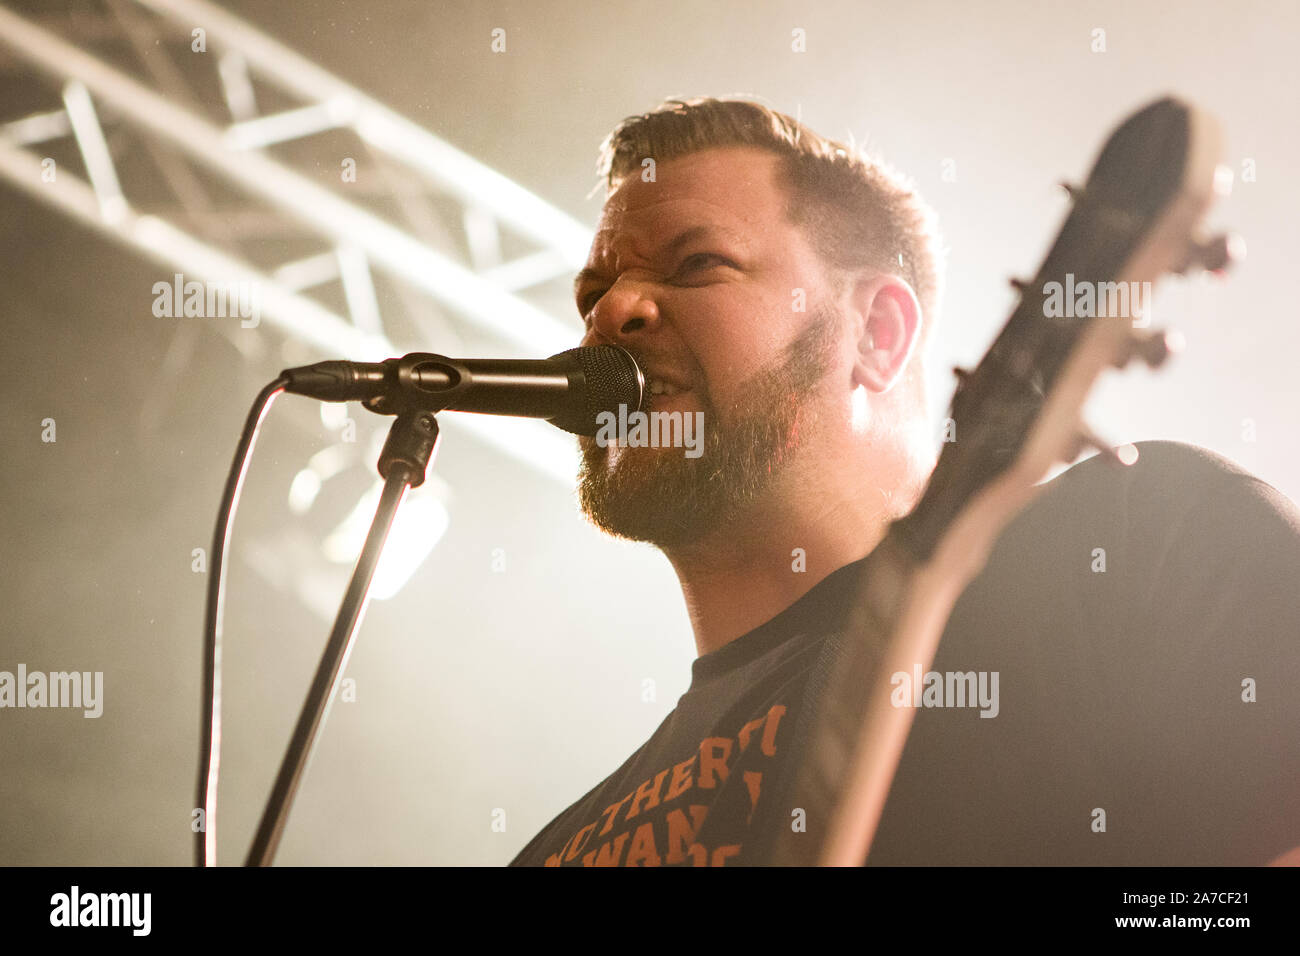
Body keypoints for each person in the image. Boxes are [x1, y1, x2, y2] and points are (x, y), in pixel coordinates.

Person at [508, 97, 1300, 866]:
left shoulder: (1133, 542)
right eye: (591, 294)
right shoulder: (559, 849)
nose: (613, 311)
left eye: (694, 263)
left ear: (878, 334)